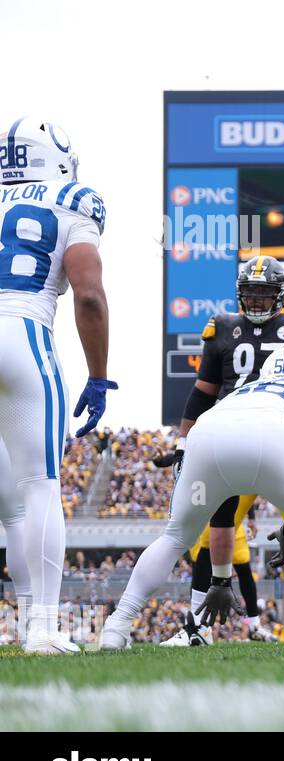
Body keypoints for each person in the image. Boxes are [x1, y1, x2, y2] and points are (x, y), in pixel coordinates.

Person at [99, 348, 284, 648]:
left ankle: (117, 625)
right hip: (271, 436)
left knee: (174, 538)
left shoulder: (244, 391)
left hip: (206, 434)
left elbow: (223, 511)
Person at [154, 255, 284, 646]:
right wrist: (184, 442)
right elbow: (203, 393)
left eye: (264, 294)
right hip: (232, 438)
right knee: (210, 536)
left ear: (280, 296)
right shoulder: (222, 328)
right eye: (250, 295)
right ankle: (197, 629)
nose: (255, 302)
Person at [0, 117, 114, 653]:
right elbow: (88, 295)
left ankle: (29, 624)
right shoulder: (73, 198)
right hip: (23, 331)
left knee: (11, 508)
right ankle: (40, 627)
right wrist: (98, 375)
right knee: (39, 488)